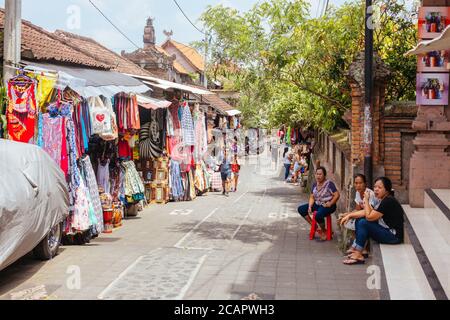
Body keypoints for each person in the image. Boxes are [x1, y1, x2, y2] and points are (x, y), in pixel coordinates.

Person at [343, 177, 404, 265]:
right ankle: (360, 250)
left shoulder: (388, 201)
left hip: (393, 236)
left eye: (379, 187)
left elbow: (369, 216)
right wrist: (350, 215)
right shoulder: (382, 199)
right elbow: (366, 213)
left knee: (364, 222)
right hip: (386, 230)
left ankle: (358, 253)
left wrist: (366, 200)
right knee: (360, 220)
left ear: (387, 190)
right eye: (375, 187)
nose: (376, 189)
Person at [339, 174, 381, 257]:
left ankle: (360, 247)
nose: (358, 185)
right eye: (356, 183)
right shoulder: (358, 193)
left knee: (359, 221)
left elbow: (368, 211)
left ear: (365, 183)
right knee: (349, 221)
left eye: (360, 183)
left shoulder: (370, 194)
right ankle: (358, 246)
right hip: (364, 215)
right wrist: (347, 214)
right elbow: (357, 209)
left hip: (374, 217)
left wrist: (351, 215)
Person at [298, 167, 340, 241]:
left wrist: (330, 203)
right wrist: (310, 206)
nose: (318, 176)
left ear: (324, 175)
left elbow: (337, 195)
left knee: (318, 215)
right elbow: (312, 197)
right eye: (317, 174)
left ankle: (324, 231)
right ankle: (314, 226)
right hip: (317, 204)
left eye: (320, 174)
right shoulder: (315, 185)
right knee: (301, 209)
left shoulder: (329, 184)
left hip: (328, 205)